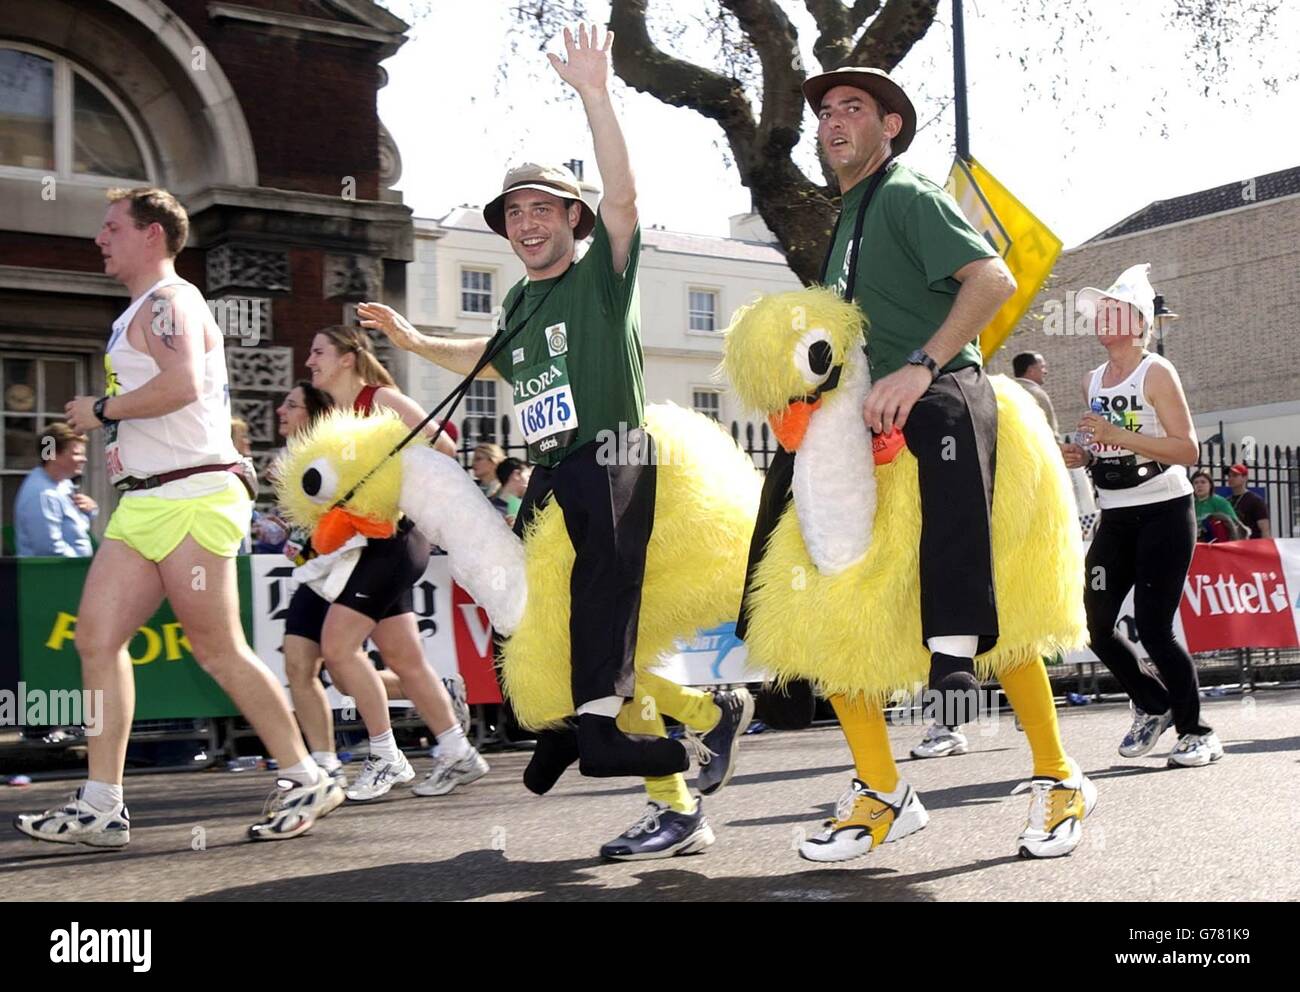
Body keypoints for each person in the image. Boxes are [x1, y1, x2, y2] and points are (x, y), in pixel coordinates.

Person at [358, 24, 691, 785]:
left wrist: (596, 96)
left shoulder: (600, 273)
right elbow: (486, 361)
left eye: (543, 208)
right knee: (527, 590)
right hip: (546, 466)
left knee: (604, 580)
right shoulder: (516, 298)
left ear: (571, 218)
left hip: (610, 454)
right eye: (515, 213)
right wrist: (412, 338)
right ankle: (564, 718)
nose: (528, 223)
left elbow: (626, 196)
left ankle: (604, 727)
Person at [17, 187, 340, 846]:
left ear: (153, 235)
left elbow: (183, 384)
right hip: (147, 501)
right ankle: (102, 803)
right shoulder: (143, 308)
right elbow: (167, 396)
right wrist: (125, 445)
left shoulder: (171, 301)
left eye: (112, 227)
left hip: (192, 494)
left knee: (217, 648)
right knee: (96, 640)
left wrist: (102, 413)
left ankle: (306, 774)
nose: (100, 239)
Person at [304, 325, 488, 800]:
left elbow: (444, 443)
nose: (310, 361)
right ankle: (458, 751)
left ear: (348, 358)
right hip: (369, 544)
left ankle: (386, 756)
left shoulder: (379, 399)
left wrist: (390, 461)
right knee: (405, 660)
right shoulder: (336, 416)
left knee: (337, 647)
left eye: (319, 351)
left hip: (397, 540)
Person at [1061, 263, 1223, 768]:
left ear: (1136, 322)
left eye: (1112, 310)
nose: (1102, 318)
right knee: (1093, 624)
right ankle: (1153, 705)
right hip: (1116, 515)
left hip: (1165, 512)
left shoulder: (1156, 370)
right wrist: (1085, 456)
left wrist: (1119, 437)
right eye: (1098, 312)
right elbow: (1105, 446)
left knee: (1154, 627)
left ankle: (1197, 731)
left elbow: (1188, 450)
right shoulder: (1092, 379)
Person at [14, 423, 97, 557]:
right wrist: (81, 563)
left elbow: (75, 526)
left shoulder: (64, 483)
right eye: (77, 453)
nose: (84, 459)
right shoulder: (43, 495)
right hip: (54, 575)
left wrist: (90, 510)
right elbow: (49, 550)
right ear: (52, 455)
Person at [1191, 470, 1246, 542]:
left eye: (1203, 482)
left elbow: (1234, 524)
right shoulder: (1191, 505)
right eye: (1196, 483)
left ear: (1210, 485)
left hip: (1216, 545)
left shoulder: (1220, 502)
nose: (1199, 485)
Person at [1012, 351, 1059, 433]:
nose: (1045, 371)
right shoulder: (1037, 394)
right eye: (1042, 367)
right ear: (1031, 371)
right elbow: (1051, 430)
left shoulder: (1006, 393)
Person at [1226, 464, 1270, 539]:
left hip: (1251, 544)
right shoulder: (1227, 501)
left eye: (1235, 476)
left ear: (1245, 478)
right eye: (1229, 476)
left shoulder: (1255, 500)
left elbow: (1265, 530)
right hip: (1232, 544)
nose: (1231, 478)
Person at [491, 456, 530, 526]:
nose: (531, 481)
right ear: (516, 475)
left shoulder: (490, 507)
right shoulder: (493, 510)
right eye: (528, 476)